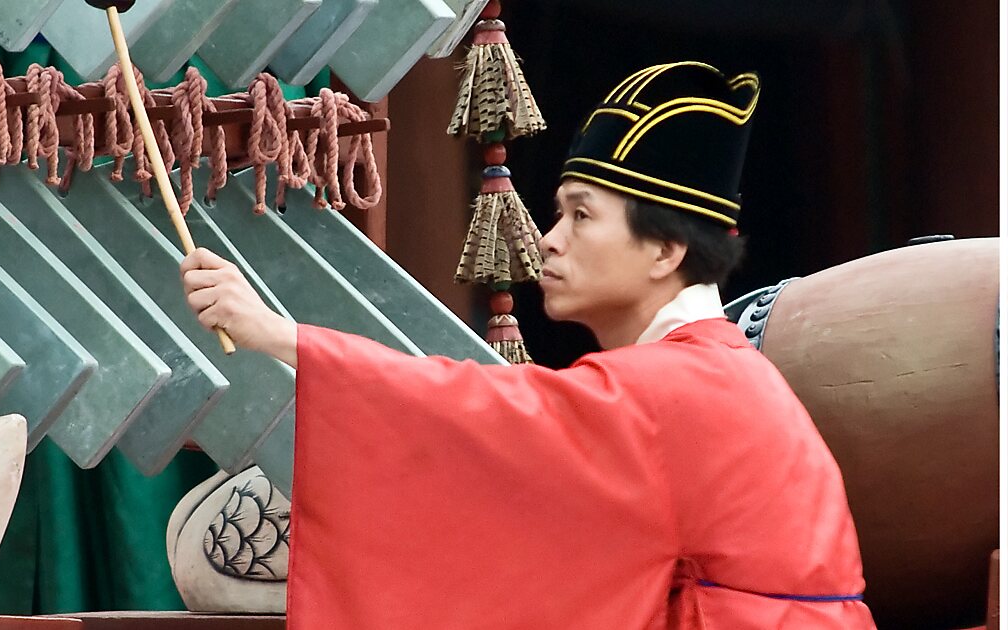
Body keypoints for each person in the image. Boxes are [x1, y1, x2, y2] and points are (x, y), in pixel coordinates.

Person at [181, 61, 876, 629]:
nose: (550, 239)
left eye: (581, 216)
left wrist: (277, 335)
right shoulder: (710, 371)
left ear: (665, 249)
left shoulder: (687, 388)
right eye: (556, 213)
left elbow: (483, 410)